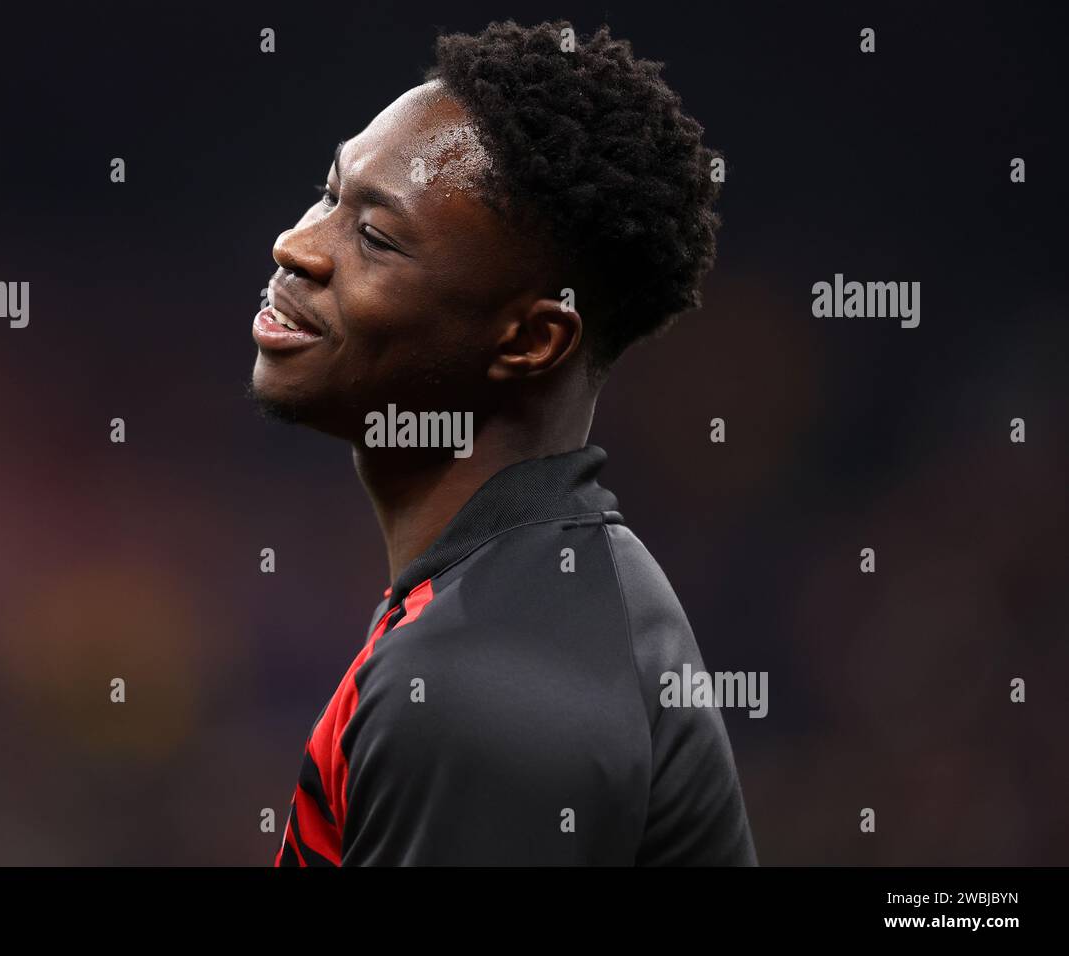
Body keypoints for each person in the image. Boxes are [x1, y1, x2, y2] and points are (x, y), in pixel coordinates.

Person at [250, 18, 756, 865]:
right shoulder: (528, 599)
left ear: (528, 342)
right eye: (329, 194)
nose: (296, 245)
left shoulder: (480, 688)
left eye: (374, 237)